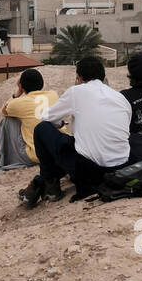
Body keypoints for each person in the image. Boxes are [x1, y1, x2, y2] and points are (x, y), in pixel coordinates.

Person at [20, 57, 131, 208]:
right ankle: (44, 181)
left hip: (90, 171)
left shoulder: (76, 91)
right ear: (103, 76)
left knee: (42, 129)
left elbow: (45, 117)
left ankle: (49, 183)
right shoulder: (120, 98)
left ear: (78, 77)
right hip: (120, 166)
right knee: (79, 143)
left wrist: (59, 123)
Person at [0, 68, 58, 174]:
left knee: (7, 120)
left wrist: (18, 93)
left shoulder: (19, 103)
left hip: (35, 155)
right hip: (55, 150)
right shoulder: (53, 95)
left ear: (22, 86)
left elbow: (3, 111)